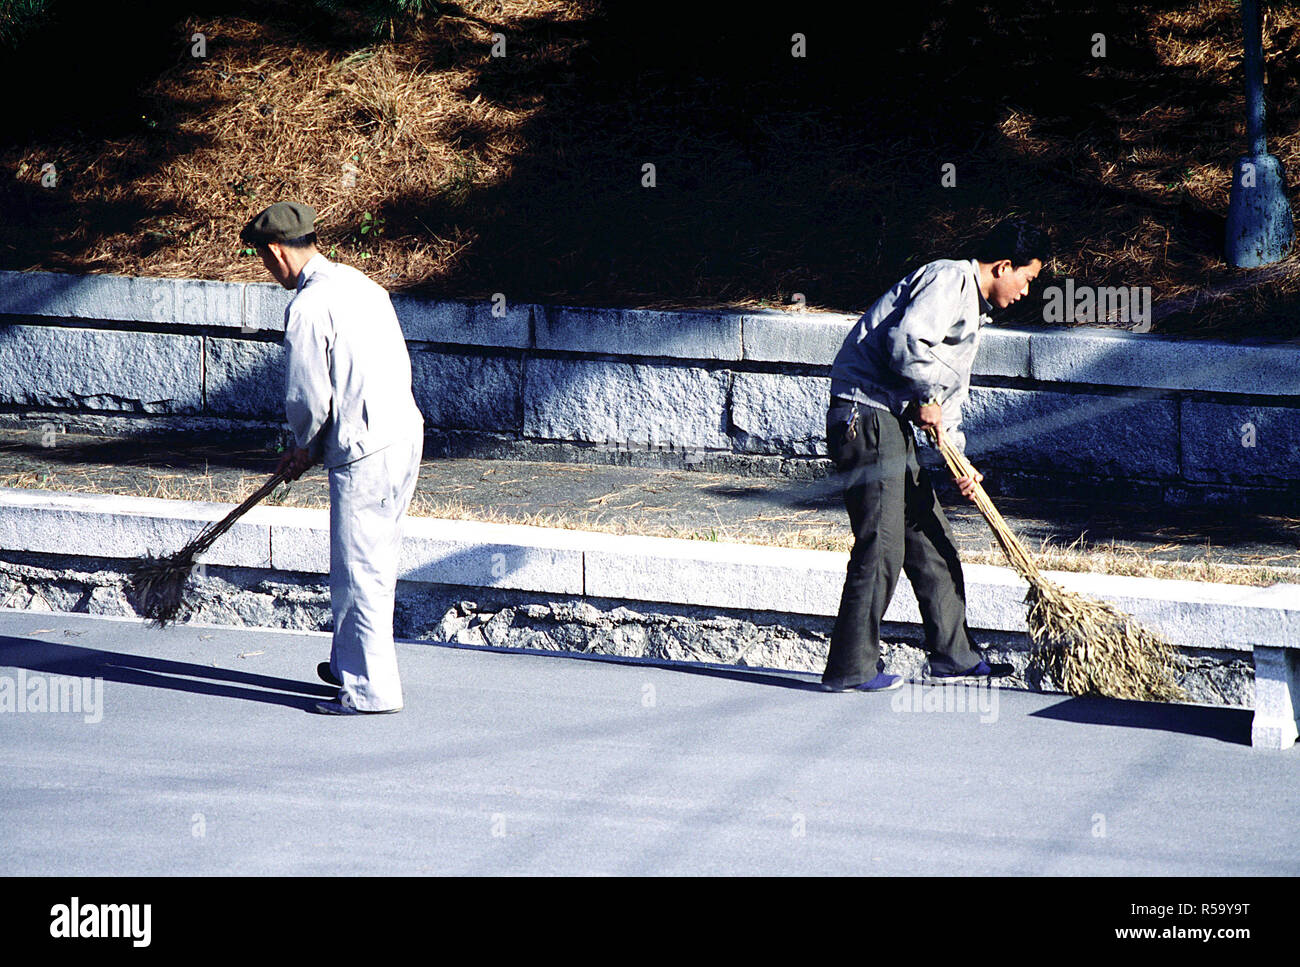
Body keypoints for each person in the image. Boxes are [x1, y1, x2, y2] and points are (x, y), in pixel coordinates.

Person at [821, 218, 1049, 693]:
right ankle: (851, 668)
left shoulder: (974, 311)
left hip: (891, 422)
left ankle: (954, 657)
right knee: (882, 545)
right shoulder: (950, 278)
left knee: (930, 538)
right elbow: (905, 342)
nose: (1027, 291)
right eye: (1027, 279)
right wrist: (927, 394)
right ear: (1004, 266)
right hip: (865, 416)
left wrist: (960, 463)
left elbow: (947, 403)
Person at [241, 201, 425, 715]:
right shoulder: (362, 285)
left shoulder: (307, 307)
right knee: (375, 558)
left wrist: (302, 444)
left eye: (261, 258)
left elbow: (307, 395)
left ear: (277, 253)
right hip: (403, 433)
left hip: (366, 447)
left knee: (358, 568)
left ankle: (369, 692)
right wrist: (313, 443)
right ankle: (348, 663)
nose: (265, 267)